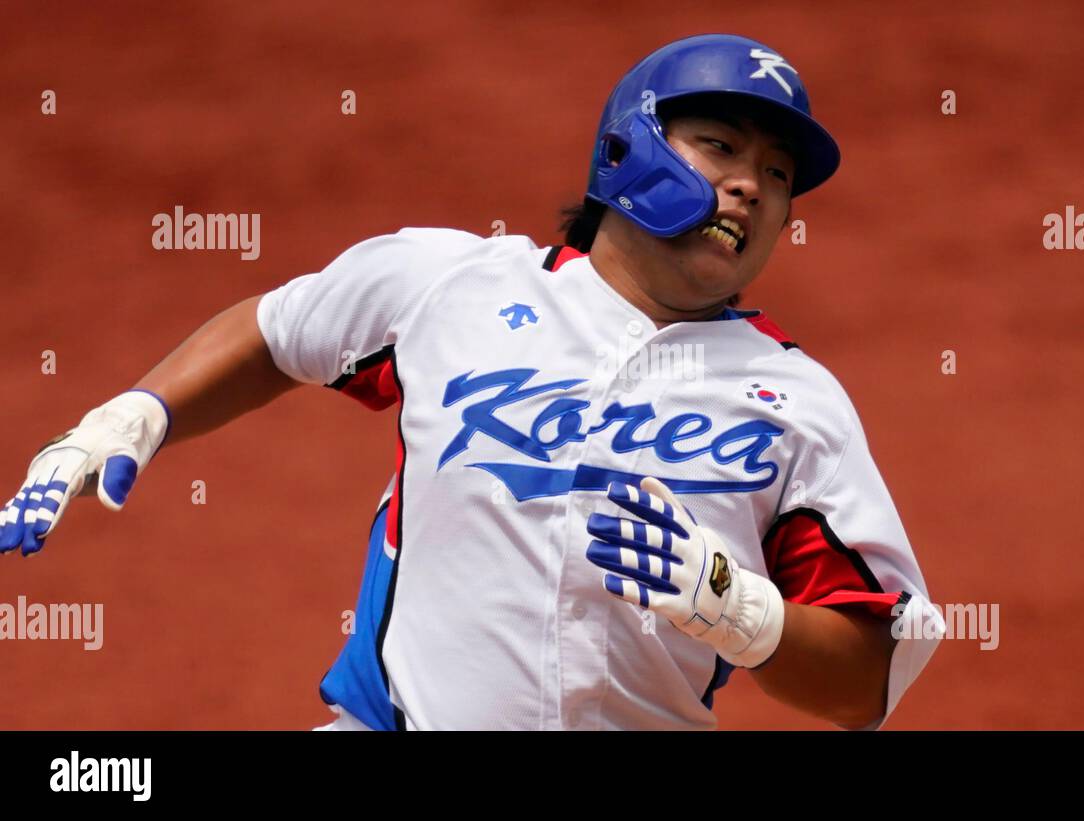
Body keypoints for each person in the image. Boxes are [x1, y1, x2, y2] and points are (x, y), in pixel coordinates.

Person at [1, 33, 944, 730]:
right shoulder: (454, 284)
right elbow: (277, 330)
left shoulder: (795, 402)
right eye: (722, 147)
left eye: (778, 174)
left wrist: (738, 608)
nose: (751, 187)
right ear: (629, 148)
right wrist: (131, 415)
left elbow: (871, 675)